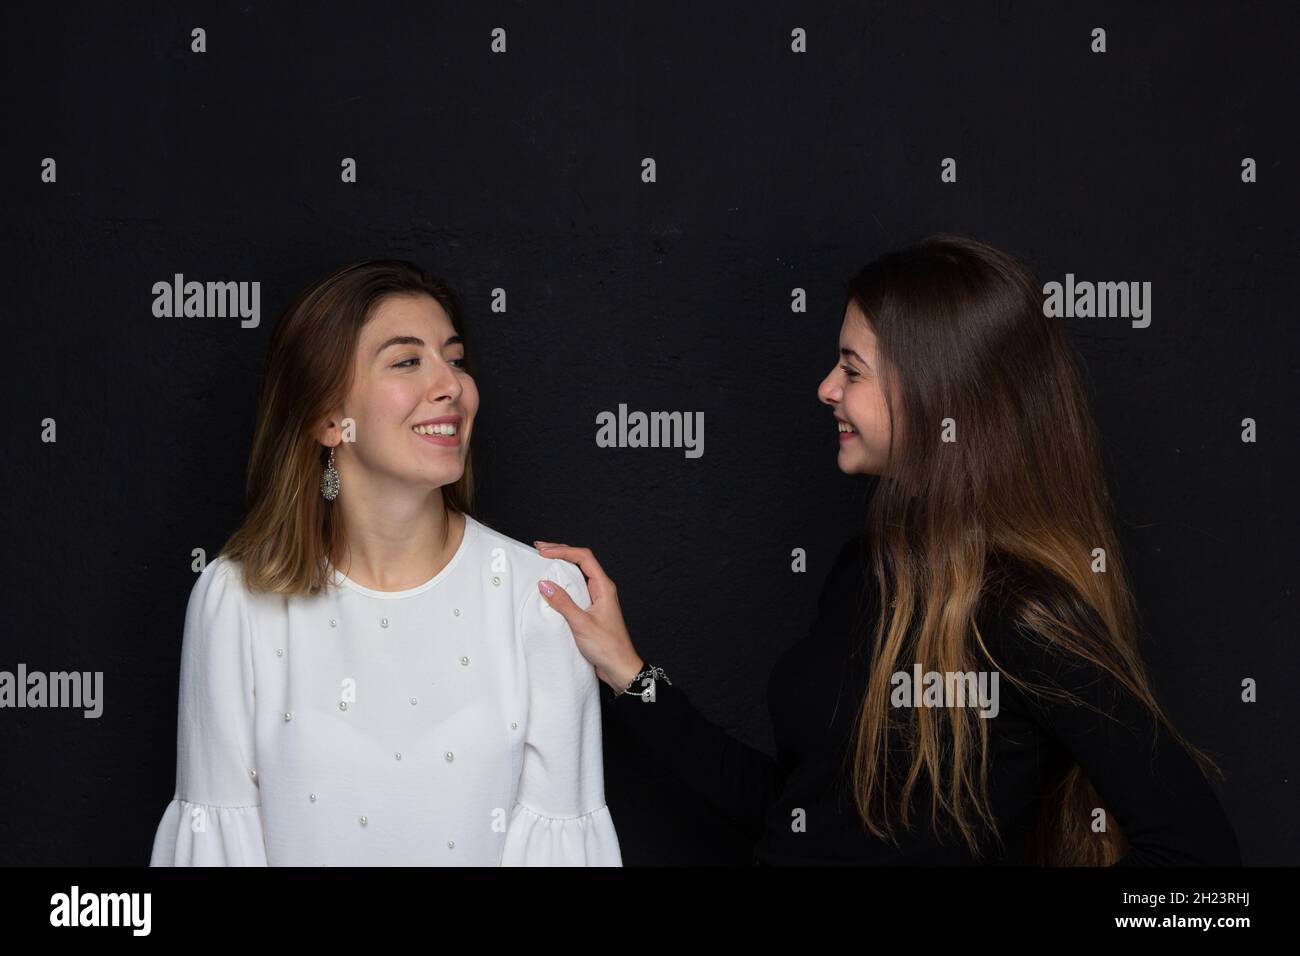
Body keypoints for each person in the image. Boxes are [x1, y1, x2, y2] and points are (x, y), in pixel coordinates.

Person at [533, 235, 1242, 866]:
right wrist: (631, 675)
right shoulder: (863, 572)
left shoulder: (1022, 612)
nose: (825, 389)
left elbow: (1200, 868)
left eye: (852, 368)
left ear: (937, 393)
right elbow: (797, 814)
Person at [150, 259, 621, 866]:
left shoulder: (542, 598)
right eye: (407, 361)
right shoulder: (236, 599)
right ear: (326, 419)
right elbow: (217, 847)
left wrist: (640, 682)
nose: (450, 384)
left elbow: (560, 848)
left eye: (454, 358)